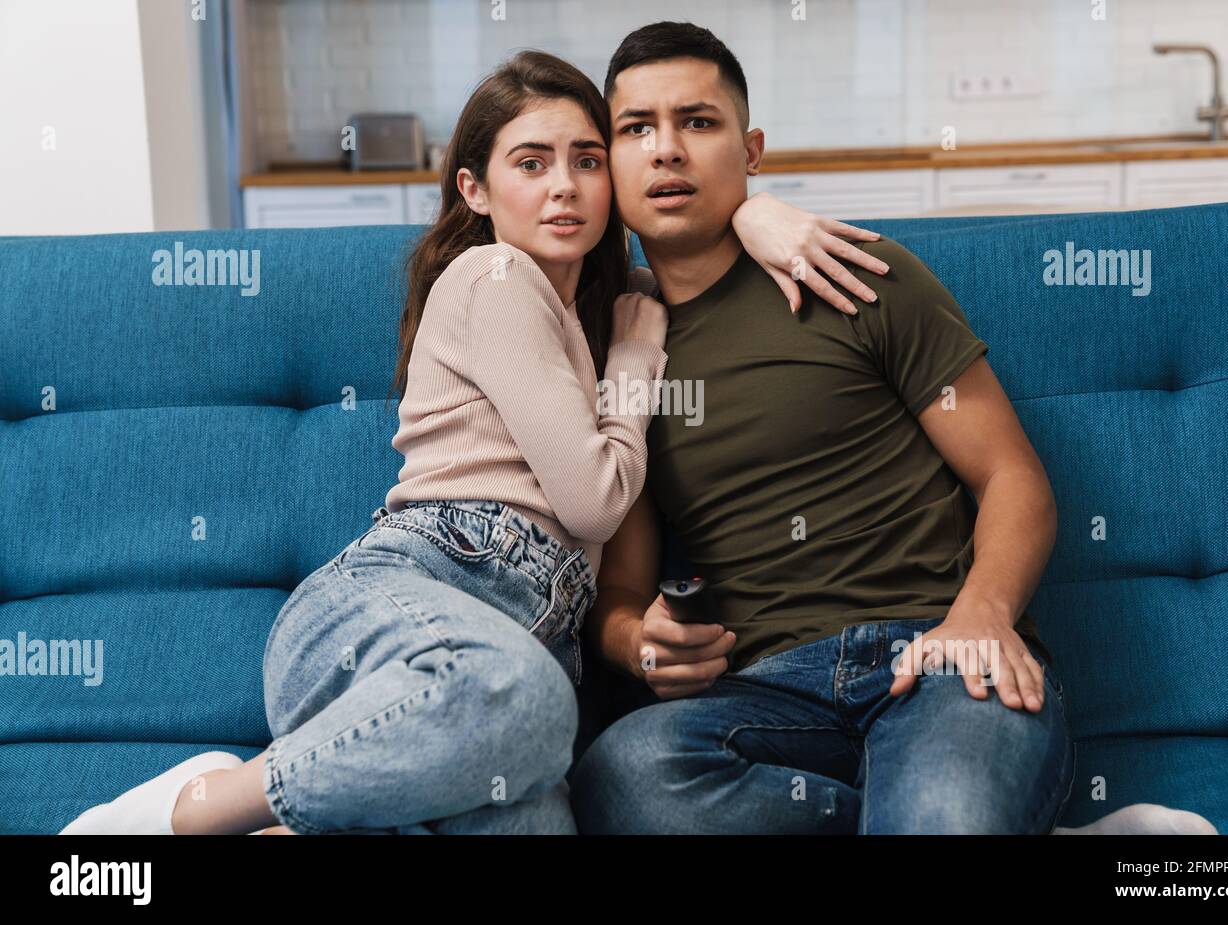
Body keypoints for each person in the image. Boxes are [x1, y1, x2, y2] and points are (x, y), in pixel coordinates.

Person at [57, 49, 885, 836]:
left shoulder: (592, 316)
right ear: (475, 189)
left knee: (530, 759)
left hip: (498, 689)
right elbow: (595, 500)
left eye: (588, 160)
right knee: (522, 695)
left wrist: (753, 207)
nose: (565, 187)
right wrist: (635, 354)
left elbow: (681, 249)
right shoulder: (495, 278)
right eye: (531, 163)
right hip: (396, 612)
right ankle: (201, 803)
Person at [568, 21, 1217, 836]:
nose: (666, 150)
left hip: (940, 656)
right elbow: (622, 592)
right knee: (621, 778)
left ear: (752, 148)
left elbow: (1012, 478)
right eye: (636, 129)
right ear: (607, 165)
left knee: (941, 813)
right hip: (761, 696)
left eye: (698, 122)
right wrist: (640, 644)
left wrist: (981, 616)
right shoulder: (624, 356)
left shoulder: (859, 275)